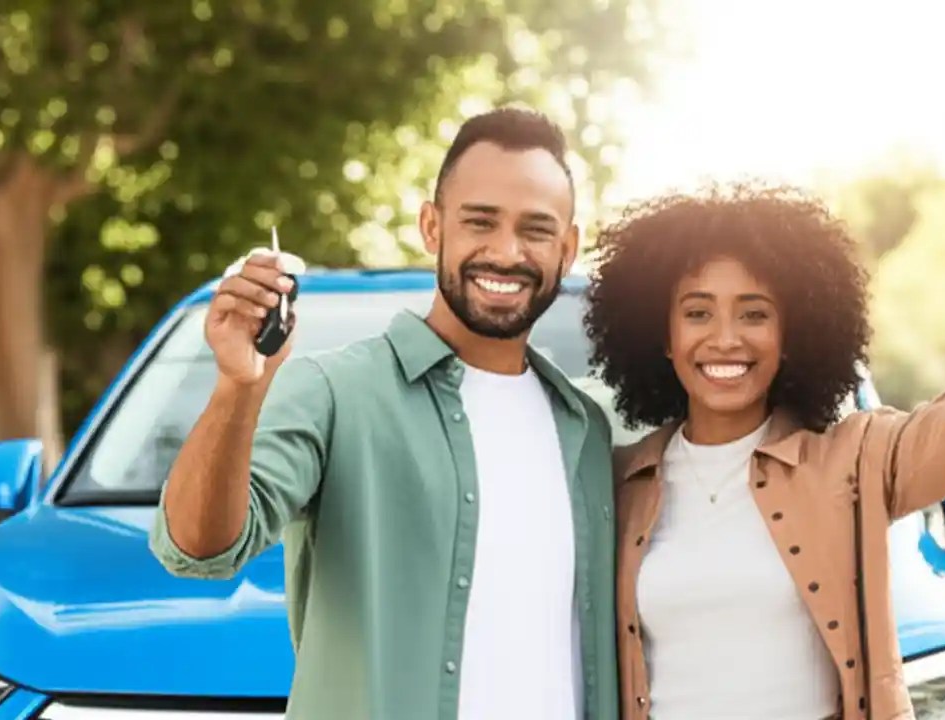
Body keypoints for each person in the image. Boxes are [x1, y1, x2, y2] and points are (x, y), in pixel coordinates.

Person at [583, 98, 945, 720]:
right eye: (698, 312)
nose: (726, 338)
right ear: (663, 334)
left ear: (793, 334)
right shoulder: (618, 486)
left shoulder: (856, 460)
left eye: (755, 313)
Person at [149, 107, 619, 720]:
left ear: (569, 246)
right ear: (431, 226)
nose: (506, 252)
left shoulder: (589, 429)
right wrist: (238, 387)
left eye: (536, 228)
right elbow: (200, 548)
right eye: (480, 221)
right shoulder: (333, 391)